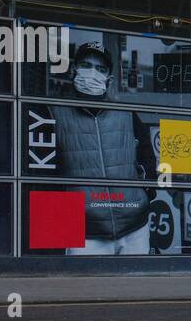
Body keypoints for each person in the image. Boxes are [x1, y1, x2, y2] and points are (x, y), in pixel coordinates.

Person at [49, 39, 151, 255]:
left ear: (109, 78)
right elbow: (45, 176)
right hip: (84, 232)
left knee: (138, 288)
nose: (92, 73)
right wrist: (60, 231)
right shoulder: (53, 113)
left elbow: (147, 159)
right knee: (83, 289)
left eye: (100, 68)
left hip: (134, 228)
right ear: (74, 70)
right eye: (86, 65)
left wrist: (146, 196)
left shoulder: (126, 114)